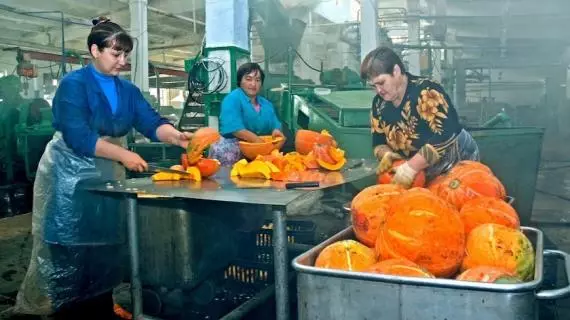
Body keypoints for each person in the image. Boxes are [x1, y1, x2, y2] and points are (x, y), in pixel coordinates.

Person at [11, 17, 193, 319]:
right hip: (69, 175)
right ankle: (65, 311)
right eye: (115, 54)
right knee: (70, 248)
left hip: (107, 173)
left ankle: (100, 307)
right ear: (94, 50)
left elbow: (150, 122)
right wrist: (122, 154)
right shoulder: (73, 85)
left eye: (125, 56)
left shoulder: (128, 91)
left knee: (105, 247)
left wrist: (177, 137)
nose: (122, 62)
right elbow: (78, 136)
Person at [360, 46, 479, 188]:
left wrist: (411, 167)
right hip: (419, 172)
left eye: (381, 82)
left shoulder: (426, 92)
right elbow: (378, 140)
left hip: (455, 165)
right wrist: (385, 154)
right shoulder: (379, 104)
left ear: (396, 71)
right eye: (374, 86)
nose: (379, 90)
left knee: (453, 197)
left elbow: (445, 134)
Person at [209, 62, 284, 165]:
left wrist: (277, 131)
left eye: (257, 80)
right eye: (248, 79)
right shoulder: (232, 99)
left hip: (257, 155)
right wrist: (260, 144)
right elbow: (237, 130)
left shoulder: (267, 104)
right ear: (240, 81)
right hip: (230, 155)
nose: (253, 84)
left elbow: (276, 124)